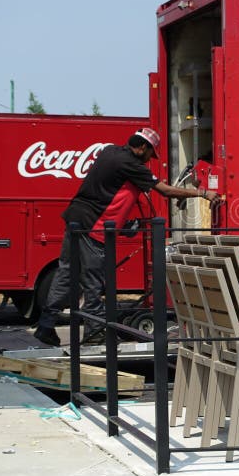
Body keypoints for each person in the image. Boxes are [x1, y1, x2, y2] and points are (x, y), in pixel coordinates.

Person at [33, 127, 220, 347]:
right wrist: (203, 193)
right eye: (151, 154)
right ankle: (95, 334)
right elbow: (166, 191)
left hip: (75, 218)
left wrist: (125, 223)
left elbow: (109, 190)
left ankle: (46, 325)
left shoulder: (110, 152)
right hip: (94, 226)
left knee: (66, 273)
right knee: (93, 281)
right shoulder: (132, 165)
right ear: (142, 147)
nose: (150, 159)